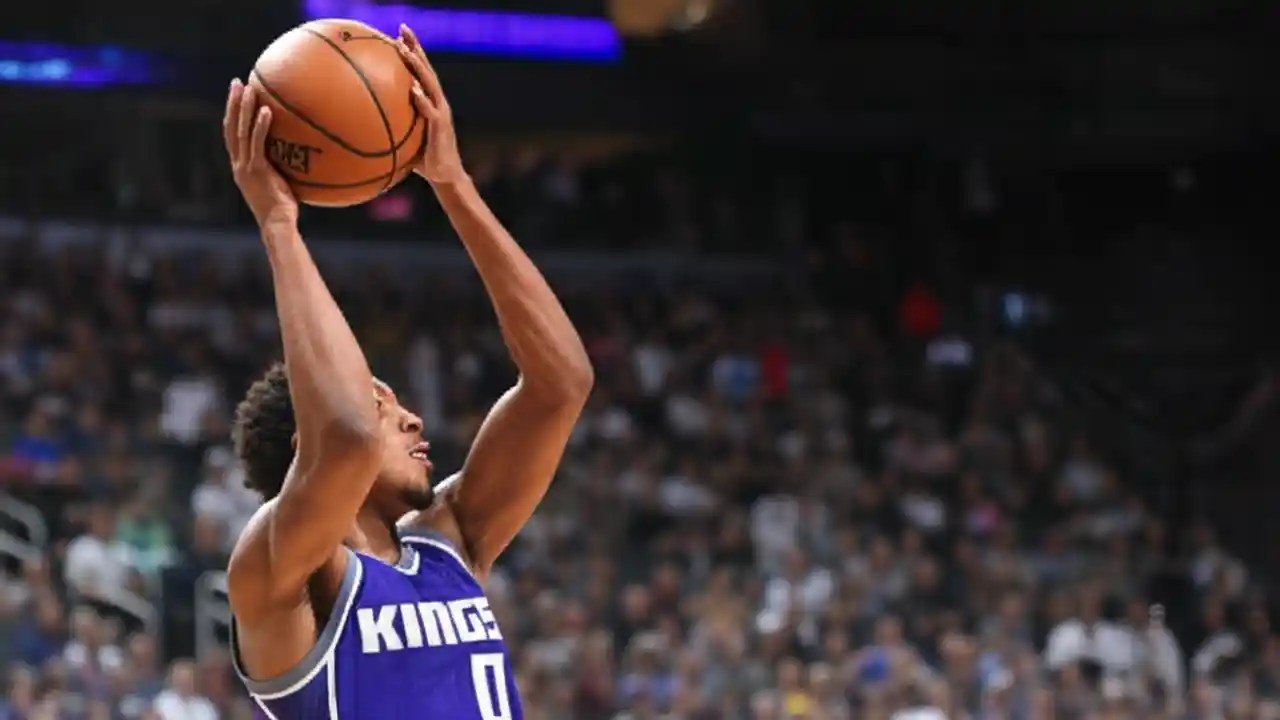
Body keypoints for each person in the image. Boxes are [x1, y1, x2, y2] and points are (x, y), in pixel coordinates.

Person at [221, 25, 592, 720]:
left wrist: (452, 184)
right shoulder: (283, 573)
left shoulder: (453, 539)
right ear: (307, 450)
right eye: (387, 406)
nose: (413, 418)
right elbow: (350, 436)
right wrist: (279, 227)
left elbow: (560, 383)